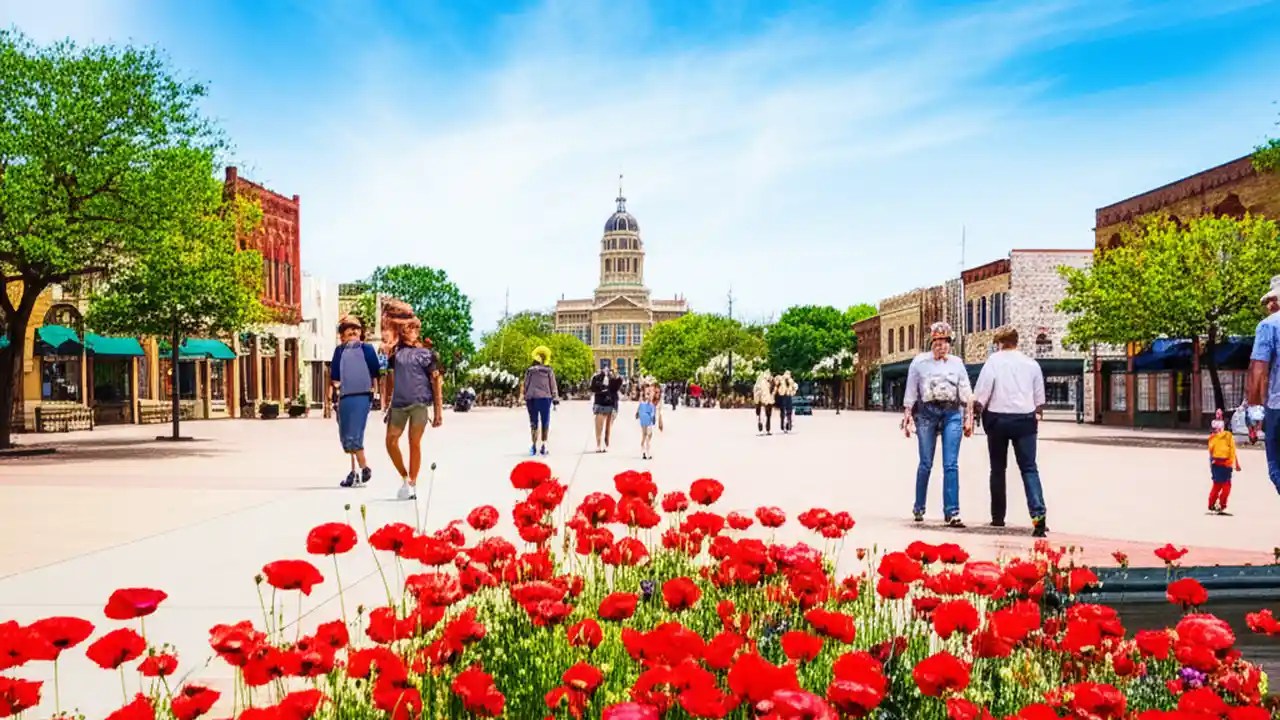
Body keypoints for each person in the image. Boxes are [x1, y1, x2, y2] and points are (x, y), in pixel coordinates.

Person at [973, 327, 1048, 536]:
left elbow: (982, 394)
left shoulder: (994, 362)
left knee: (998, 469)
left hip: (998, 419)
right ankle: (1038, 516)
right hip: (1024, 419)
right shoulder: (1031, 364)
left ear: (1000, 343)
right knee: (1029, 468)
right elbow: (1039, 399)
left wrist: (977, 412)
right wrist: (1036, 414)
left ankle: (998, 517)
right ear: (1017, 342)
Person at [903, 321, 974, 528]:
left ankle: (952, 511)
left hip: (951, 412)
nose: (940, 345)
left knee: (950, 464)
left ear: (950, 343)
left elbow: (965, 390)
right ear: (931, 342)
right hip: (927, 413)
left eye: (944, 341)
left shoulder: (957, 363)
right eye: (936, 341)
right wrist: (908, 415)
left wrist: (969, 417)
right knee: (926, 462)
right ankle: (919, 507)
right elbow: (911, 390)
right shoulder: (919, 363)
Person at [384, 316, 443, 501]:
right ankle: (403, 475)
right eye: (406, 329)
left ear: (418, 331)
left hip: (419, 403)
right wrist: (387, 404)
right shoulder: (395, 354)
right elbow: (391, 378)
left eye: (413, 329)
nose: (410, 332)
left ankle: (412, 481)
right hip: (399, 404)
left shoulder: (427, 354)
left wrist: (438, 411)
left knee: (414, 442)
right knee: (391, 441)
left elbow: (436, 382)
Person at [331, 315, 381, 488]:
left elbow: (375, 372)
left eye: (356, 328)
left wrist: (376, 393)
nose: (353, 331)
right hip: (344, 396)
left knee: (354, 434)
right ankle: (354, 472)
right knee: (345, 435)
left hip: (361, 395)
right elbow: (334, 377)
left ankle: (364, 467)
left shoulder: (367, 349)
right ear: (342, 335)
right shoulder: (339, 351)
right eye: (348, 328)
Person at [1246, 274, 1280, 496]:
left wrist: (1254, 412)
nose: (1269, 305)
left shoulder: (1268, 326)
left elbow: (1259, 369)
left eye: (1272, 299)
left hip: (1278, 407)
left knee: (1276, 467)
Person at [521, 346, 558, 456]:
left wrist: (524, 395)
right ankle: (544, 445)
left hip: (531, 398)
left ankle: (534, 445)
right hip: (545, 398)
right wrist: (555, 398)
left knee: (533, 422)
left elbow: (526, 384)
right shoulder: (549, 370)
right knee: (545, 421)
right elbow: (553, 385)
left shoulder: (530, 371)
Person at [1207, 409, 1241, 514]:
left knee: (1219, 485)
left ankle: (1214, 503)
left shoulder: (1220, 437)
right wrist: (1235, 463)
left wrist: (1236, 463)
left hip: (1221, 464)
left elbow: (1231, 450)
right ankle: (1218, 504)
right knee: (1223, 485)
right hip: (1221, 464)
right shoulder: (1220, 437)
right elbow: (1231, 450)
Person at [590, 366, 623, 452]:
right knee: (599, 424)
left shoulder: (614, 378)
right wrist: (600, 379)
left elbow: (617, 385)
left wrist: (615, 376)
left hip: (611, 403)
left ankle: (605, 443)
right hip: (600, 402)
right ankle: (598, 444)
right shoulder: (597, 377)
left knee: (608, 426)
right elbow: (593, 388)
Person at [637, 382, 664, 459]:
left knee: (648, 435)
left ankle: (645, 451)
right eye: (655, 392)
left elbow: (660, 411)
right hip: (646, 418)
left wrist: (660, 421)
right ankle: (645, 451)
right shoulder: (648, 398)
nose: (657, 393)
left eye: (658, 392)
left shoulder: (658, 400)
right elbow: (642, 403)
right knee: (646, 434)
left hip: (651, 419)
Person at [753, 371, 776, 435]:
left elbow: (773, 390)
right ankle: (761, 430)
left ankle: (767, 430)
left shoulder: (771, 382)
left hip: (769, 401)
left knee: (768, 416)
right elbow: (757, 392)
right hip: (763, 401)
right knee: (763, 415)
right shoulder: (761, 382)